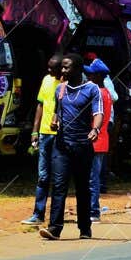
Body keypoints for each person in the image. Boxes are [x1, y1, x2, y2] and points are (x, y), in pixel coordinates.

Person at [40, 53, 103, 241]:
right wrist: (54, 122)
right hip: (62, 146)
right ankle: (54, 228)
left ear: (77, 69)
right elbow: (57, 113)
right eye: (62, 67)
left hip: (82, 146)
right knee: (58, 186)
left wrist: (96, 129)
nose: (63, 70)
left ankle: (85, 228)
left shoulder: (92, 89)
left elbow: (98, 112)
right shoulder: (60, 89)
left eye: (67, 67)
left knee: (83, 187)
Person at [20, 54, 64, 227]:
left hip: (61, 135)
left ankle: (56, 216)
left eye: (52, 67)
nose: (48, 70)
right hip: (45, 134)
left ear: (61, 68)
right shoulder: (46, 80)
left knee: (59, 178)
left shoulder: (68, 84)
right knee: (43, 176)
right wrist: (34, 131)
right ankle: (38, 214)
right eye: (48, 66)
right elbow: (40, 104)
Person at [85, 58, 113, 225]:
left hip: (95, 140)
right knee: (93, 178)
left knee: (92, 179)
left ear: (97, 76)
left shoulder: (97, 93)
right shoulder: (106, 92)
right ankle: (91, 209)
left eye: (90, 73)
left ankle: (93, 211)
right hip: (102, 140)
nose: (87, 76)